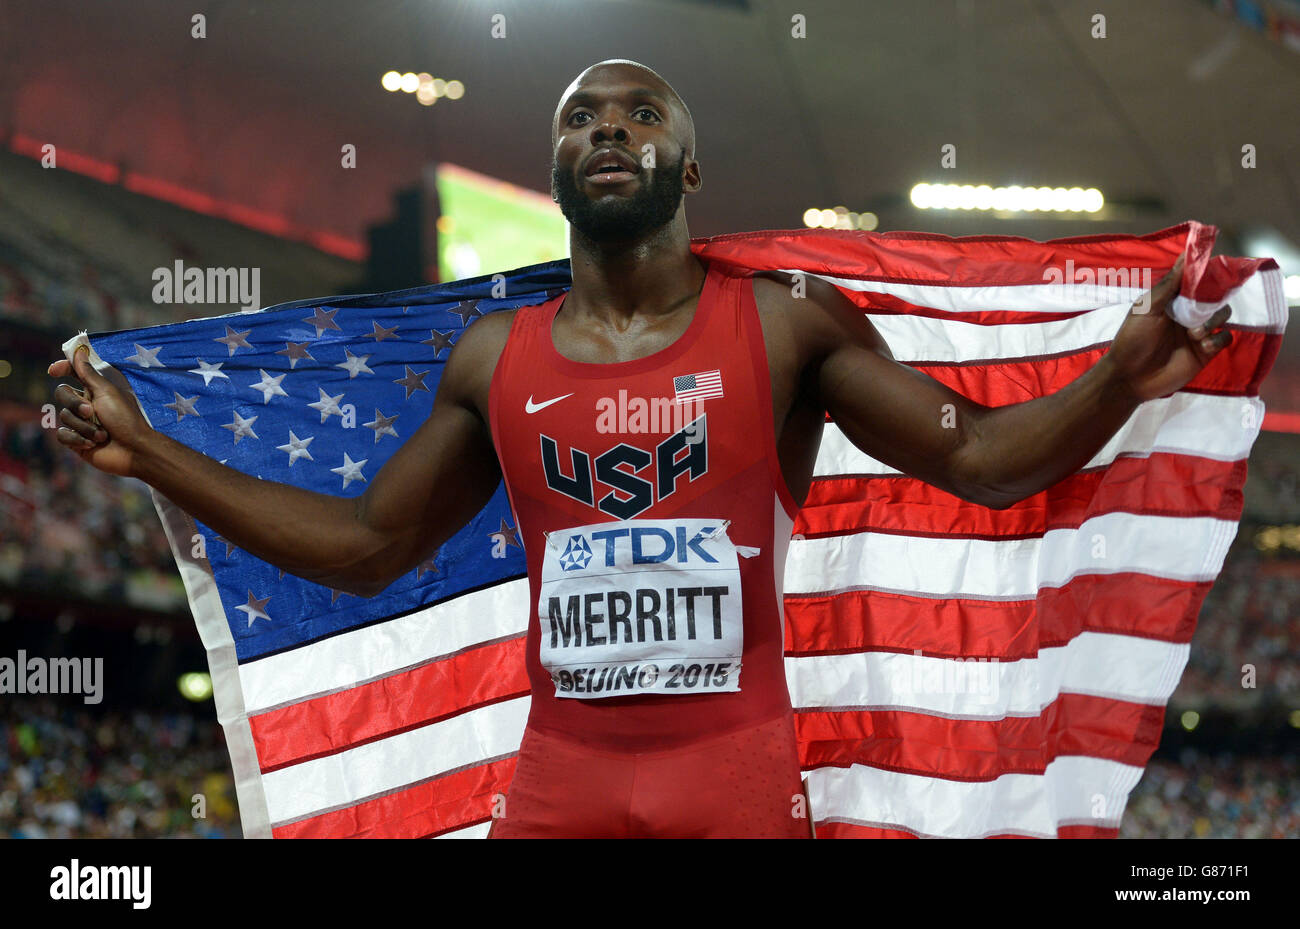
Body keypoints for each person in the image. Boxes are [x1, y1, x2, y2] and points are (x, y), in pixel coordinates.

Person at [47, 59, 1234, 838]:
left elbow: (979, 459)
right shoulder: (491, 358)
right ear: (558, 169)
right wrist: (154, 456)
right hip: (564, 769)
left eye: (638, 113)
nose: (607, 126)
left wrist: (1118, 380)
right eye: (580, 118)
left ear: (688, 167)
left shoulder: (782, 327)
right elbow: (368, 548)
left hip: (733, 772)